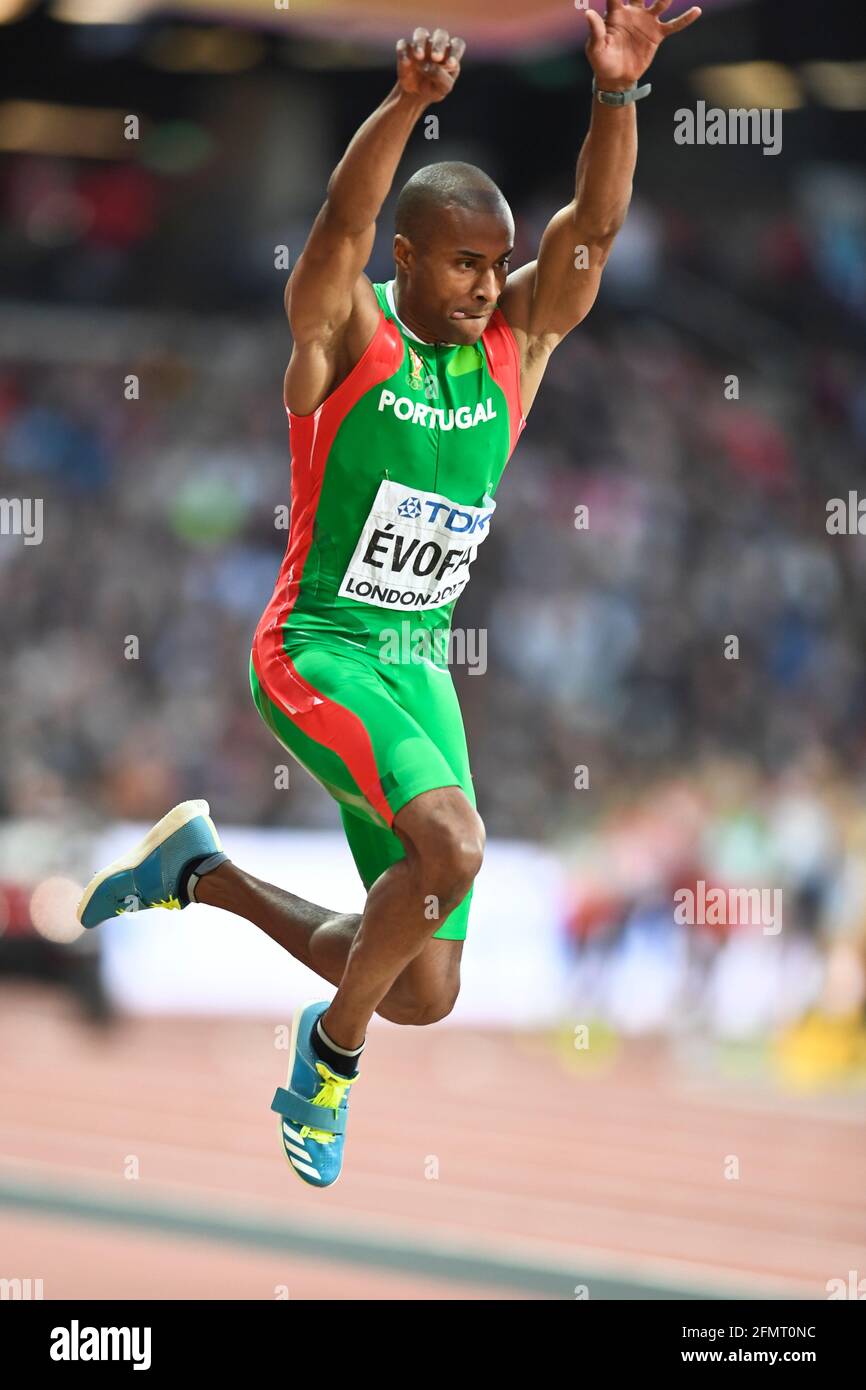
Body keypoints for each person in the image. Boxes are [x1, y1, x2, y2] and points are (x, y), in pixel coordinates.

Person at [77, 4, 701, 1189]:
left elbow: (598, 226)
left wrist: (616, 92)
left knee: (423, 982)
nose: (483, 284)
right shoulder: (343, 338)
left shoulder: (517, 347)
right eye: (462, 261)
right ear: (405, 261)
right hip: (315, 648)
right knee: (453, 848)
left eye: (495, 260)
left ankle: (197, 872)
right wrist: (407, 103)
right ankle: (325, 1058)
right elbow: (340, 220)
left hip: (417, 662)